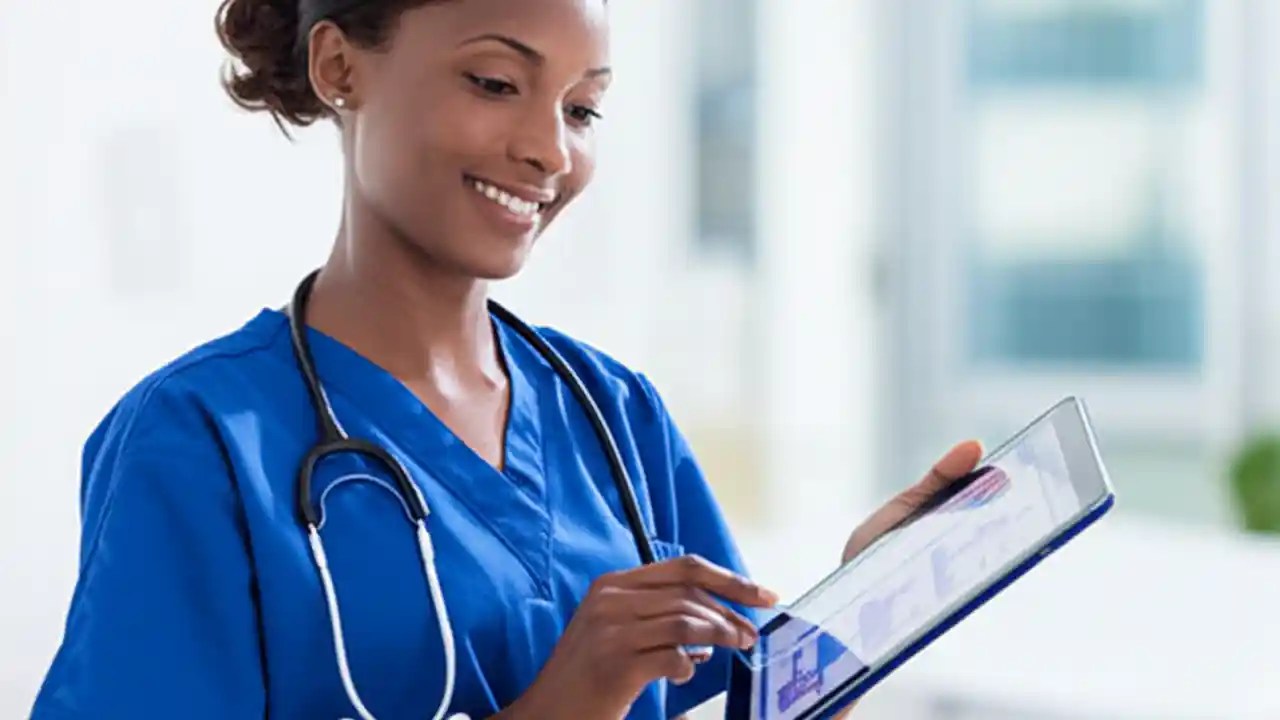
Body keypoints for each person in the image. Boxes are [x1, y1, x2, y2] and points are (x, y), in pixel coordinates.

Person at [30, 0, 983, 717]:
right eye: (494, 83)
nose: (548, 151)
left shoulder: (611, 412)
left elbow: (741, 699)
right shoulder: (201, 440)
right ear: (339, 67)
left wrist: (867, 608)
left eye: (582, 109)